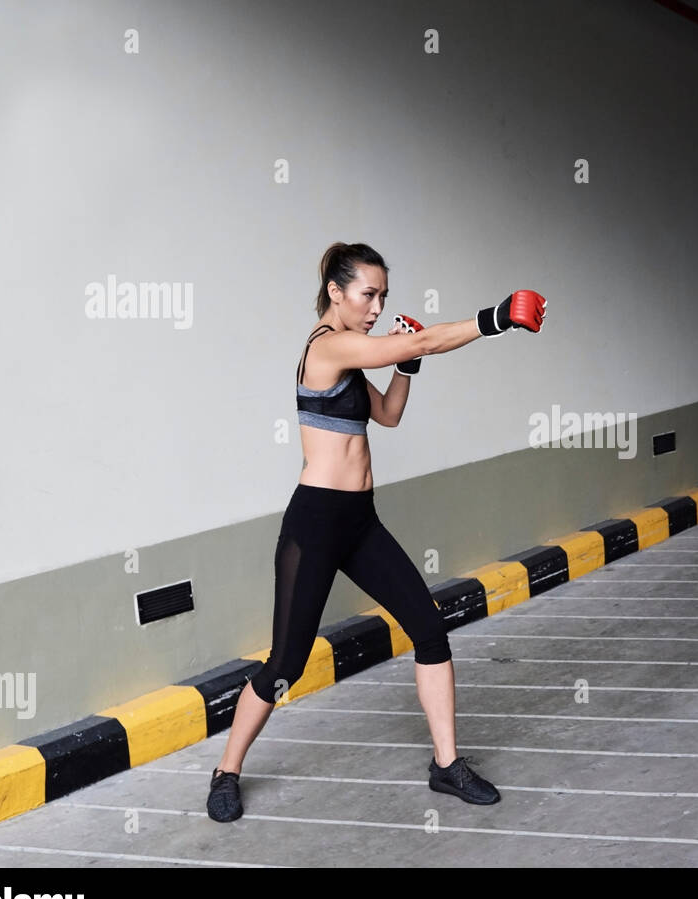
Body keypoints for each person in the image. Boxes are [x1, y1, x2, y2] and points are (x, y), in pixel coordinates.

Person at [207, 241, 547, 822]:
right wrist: (494, 318)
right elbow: (417, 339)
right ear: (336, 292)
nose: (375, 307)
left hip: (360, 522)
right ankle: (226, 771)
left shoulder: (352, 360)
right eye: (368, 294)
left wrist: (406, 370)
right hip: (314, 523)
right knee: (286, 664)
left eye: (383, 296)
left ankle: (447, 765)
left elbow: (387, 415)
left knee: (429, 629)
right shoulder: (328, 347)